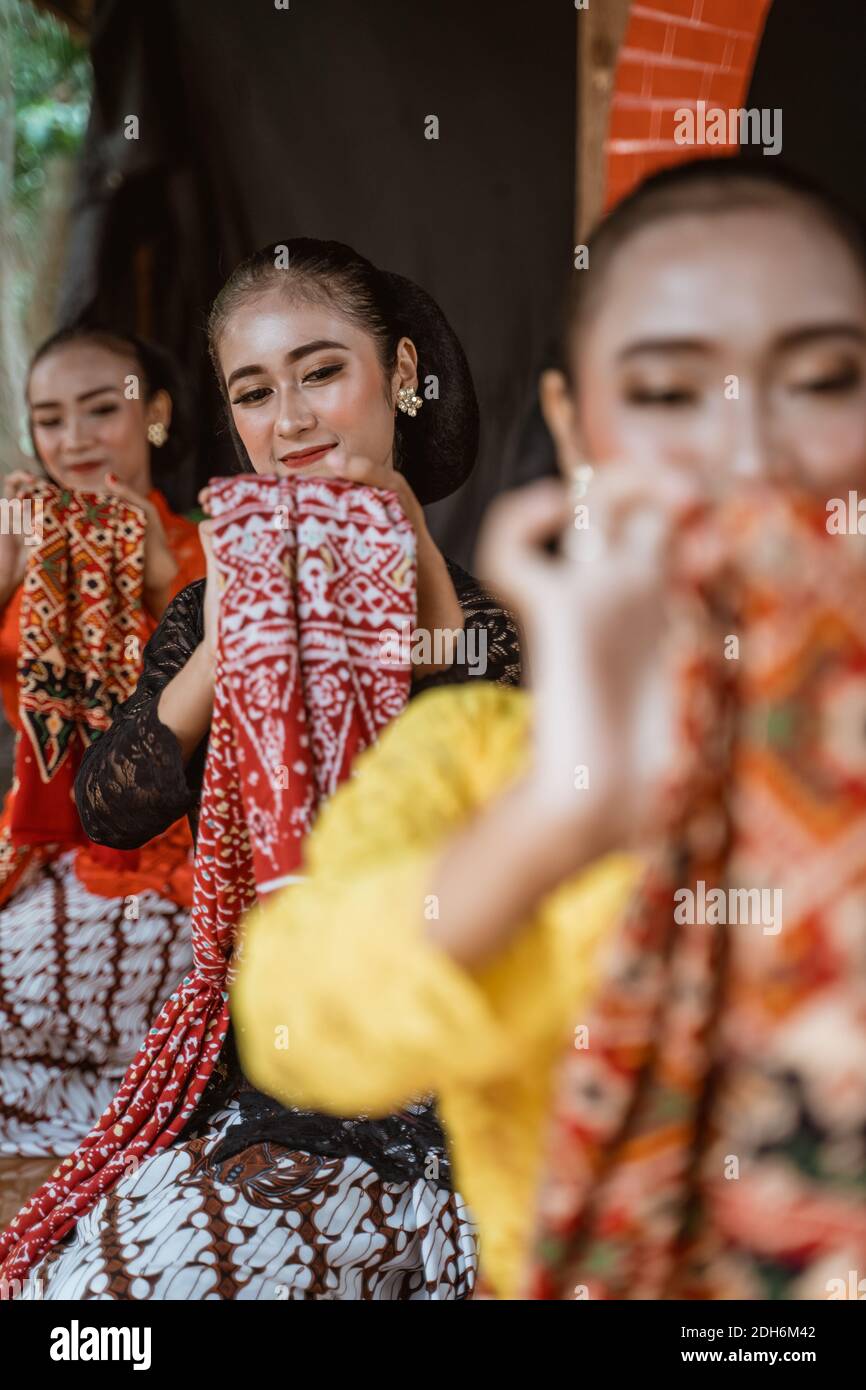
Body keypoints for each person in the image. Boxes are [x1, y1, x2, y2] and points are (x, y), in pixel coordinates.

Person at [229, 160, 866, 1299]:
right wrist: (563, 809)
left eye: (821, 378)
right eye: (668, 393)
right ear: (574, 425)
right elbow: (296, 1025)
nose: (747, 454)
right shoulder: (486, 754)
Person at [4, 240, 519, 1300]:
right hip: (275, 1087)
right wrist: (225, 634)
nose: (288, 419)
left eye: (322, 370)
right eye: (253, 390)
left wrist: (401, 542)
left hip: (444, 1088)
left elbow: (474, 791)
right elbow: (112, 807)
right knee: (81, 1301)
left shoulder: (492, 621)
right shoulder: (207, 607)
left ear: (403, 373)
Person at [0, 327, 203, 1160]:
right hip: (46, 851)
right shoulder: (27, 546)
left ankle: (139, 1117)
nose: (74, 439)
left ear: (153, 414)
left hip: (172, 860)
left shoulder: (213, 547)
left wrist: (160, 579)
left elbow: (242, 717)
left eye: (98, 410)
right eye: (50, 420)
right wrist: (7, 568)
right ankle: (106, 1122)